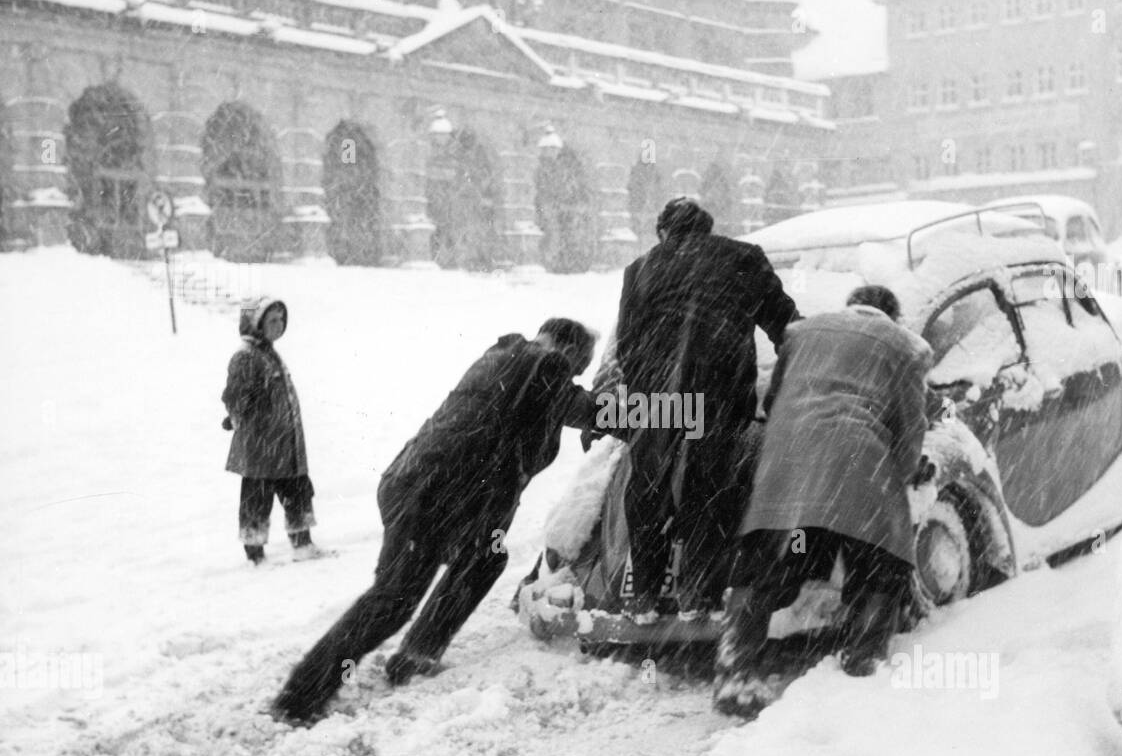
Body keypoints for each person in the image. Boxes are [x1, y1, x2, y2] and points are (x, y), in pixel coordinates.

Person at [271, 318, 598, 724]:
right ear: (569, 351)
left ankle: (415, 656)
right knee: (392, 600)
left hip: (420, 484)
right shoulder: (543, 366)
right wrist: (677, 414)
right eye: (580, 365)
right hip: (435, 497)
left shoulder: (505, 357)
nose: (576, 375)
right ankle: (298, 698)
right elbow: (592, 410)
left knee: (486, 558)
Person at [713, 285, 934, 719]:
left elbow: (773, 402)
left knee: (775, 562)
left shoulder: (802, 333)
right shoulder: (906, 348)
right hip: (859, 467)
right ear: (893, 315)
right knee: (879, 566)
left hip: (790, 465)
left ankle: (735, 670)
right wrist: (905, 474)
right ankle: (860, 665)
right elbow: (910, 428)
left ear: (851, 305)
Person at [613, 197, 799, 624]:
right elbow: (785, 325)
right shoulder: (743, 257)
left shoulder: (639, 268)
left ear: (664, 231)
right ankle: (697, 595)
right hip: (718, 386)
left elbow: (626, 342)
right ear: (708, 229)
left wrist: (644, 390)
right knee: (708, 486)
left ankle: (642, 598)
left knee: (648, 487)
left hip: (656, 392)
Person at [221, 296, 327, 565]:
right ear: (255, 324)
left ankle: (303, 543)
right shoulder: (246, 357)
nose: (279, 326)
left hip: (285, 444)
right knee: (257, 500)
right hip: (261, 448)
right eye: (272, 321)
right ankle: (254, 554)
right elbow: (236, 396)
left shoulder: (269, 352)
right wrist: (237, 416)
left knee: (299, 492)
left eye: (281, 320)